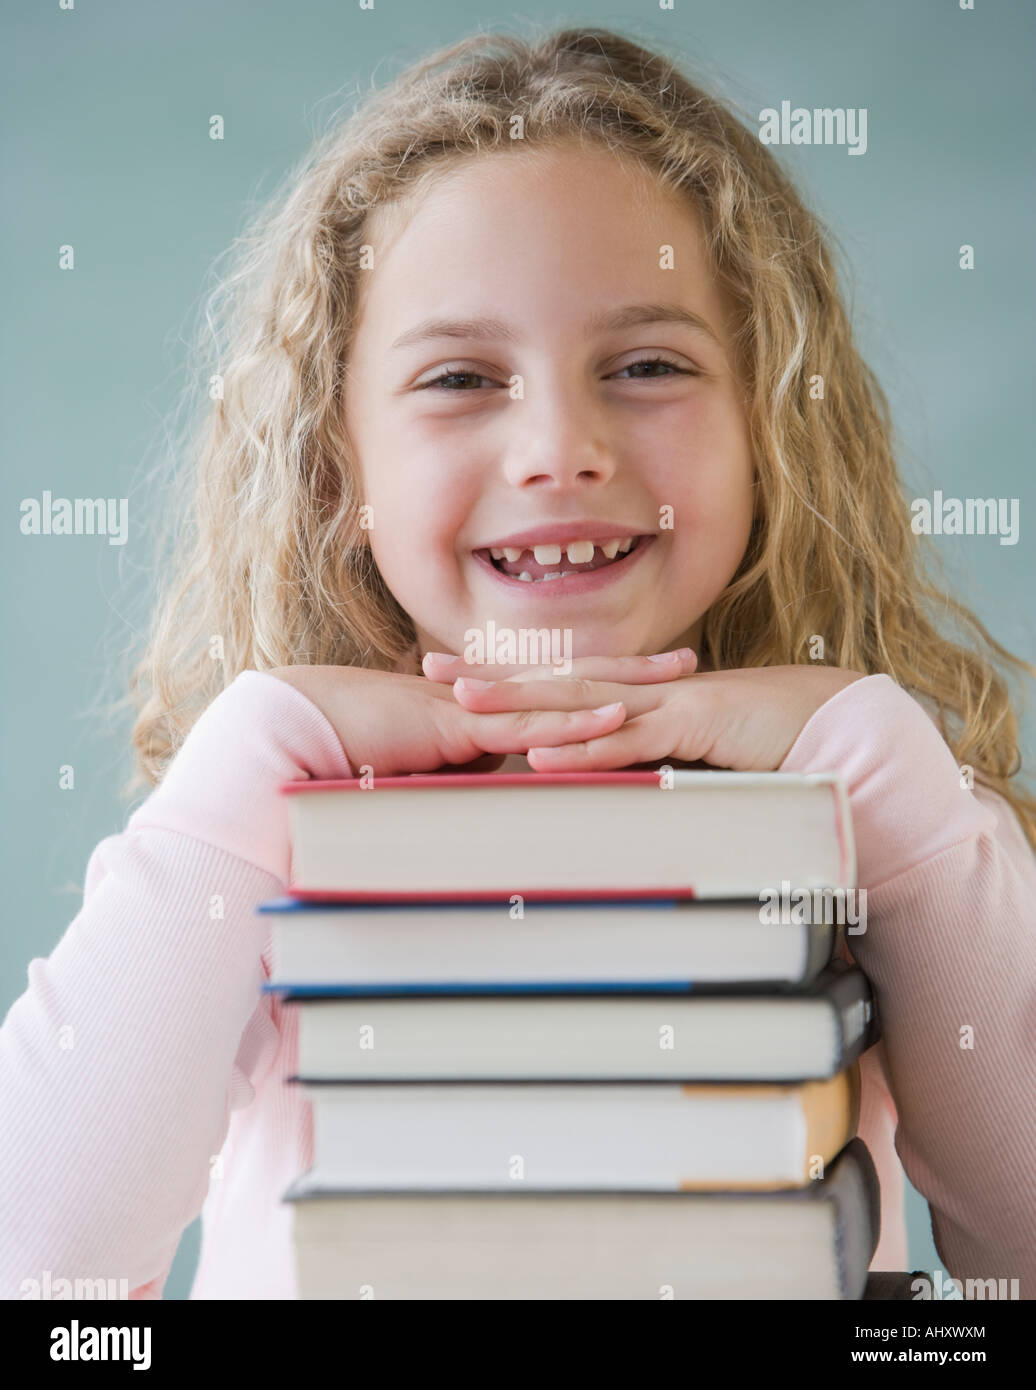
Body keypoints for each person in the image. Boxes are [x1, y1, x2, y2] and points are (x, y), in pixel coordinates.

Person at [2, 26, 1033, 1300]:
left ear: (770, 428)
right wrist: (247, 763)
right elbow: (42, 1272)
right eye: (459, 377)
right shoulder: (263, 836)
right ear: (339, 468)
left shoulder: (878, 808)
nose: (559, 446)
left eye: (648, 365)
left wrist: (881, 775)